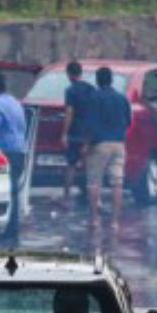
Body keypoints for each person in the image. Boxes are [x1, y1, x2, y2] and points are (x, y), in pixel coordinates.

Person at [0, 73, 28, 246]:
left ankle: (10, 229)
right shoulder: (16, 103)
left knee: (7, 191)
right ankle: (12, 228)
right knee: (14, 191)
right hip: (20, 150)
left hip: (7, 152)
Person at [85, 67, 133, 224]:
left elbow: (90, 123)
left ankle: (94, 219)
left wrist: (86, 144)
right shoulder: (122, 98)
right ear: (111, 80)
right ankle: (115, 222)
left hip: (100, 144)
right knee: (117, 183)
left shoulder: (93, 97)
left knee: (94, 182)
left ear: (98, 80)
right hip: (119, 144)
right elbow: (128, 122)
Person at [61, 61, 98, 205]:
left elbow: (69, 112)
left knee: (71, 166)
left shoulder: (70, 91)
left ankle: (66, 197)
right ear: (81, 73)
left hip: (75, 134)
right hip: (89, 133)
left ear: (69, 74)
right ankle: (93, 198)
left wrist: (64, 133)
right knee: (89, 166)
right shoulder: (91, 89)